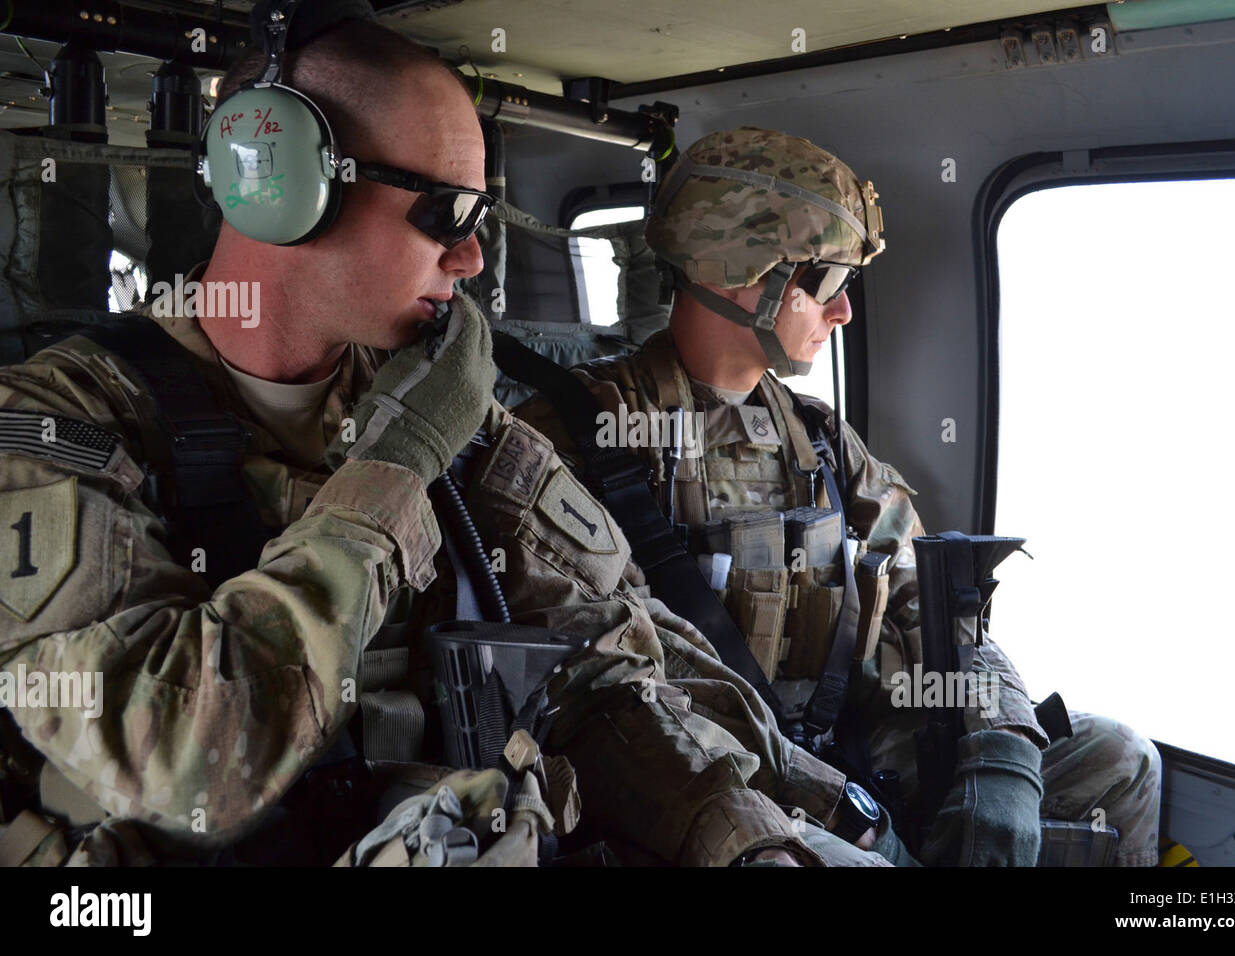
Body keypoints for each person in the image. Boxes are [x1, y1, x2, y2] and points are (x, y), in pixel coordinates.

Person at [0, 9, 871, 868]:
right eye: (447, 214)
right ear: (286, 190)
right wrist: (395, 463)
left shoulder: (429, 399)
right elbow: (187, 762)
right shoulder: (54, 427)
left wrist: (744, 832)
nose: (473, 261)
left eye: (482, 220)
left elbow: (607, 648)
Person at [514, 126, 1163, 866]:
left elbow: (929, 601)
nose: (845, 312)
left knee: (1121, 761)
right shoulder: (577, 439)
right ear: (739, 274)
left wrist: (1000, 746)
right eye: (825, 285)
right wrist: (832, 803)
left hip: (849, 744)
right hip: (707, 778)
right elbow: (607, 691)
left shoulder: (817, 438)